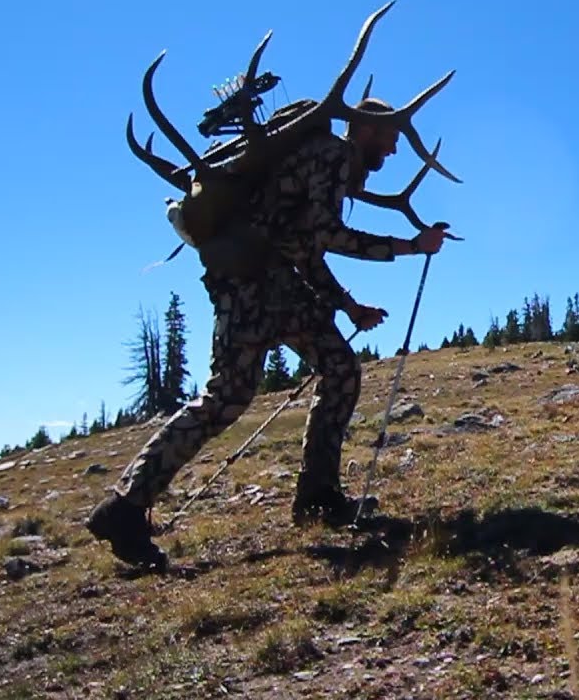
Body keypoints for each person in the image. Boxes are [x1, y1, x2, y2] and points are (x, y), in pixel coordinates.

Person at [86, 98, 447, 569]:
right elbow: (328, 234)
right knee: (255, 390)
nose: (394, 150)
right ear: (366, 129)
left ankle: (312, 498)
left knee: (290, 381)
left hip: (250, 285)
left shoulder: (319, 157)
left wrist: (349, 306)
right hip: (262, 288)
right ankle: (129, 509)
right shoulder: (334, 154)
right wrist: (411, 246)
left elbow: (302, 246)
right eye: (390, 138)